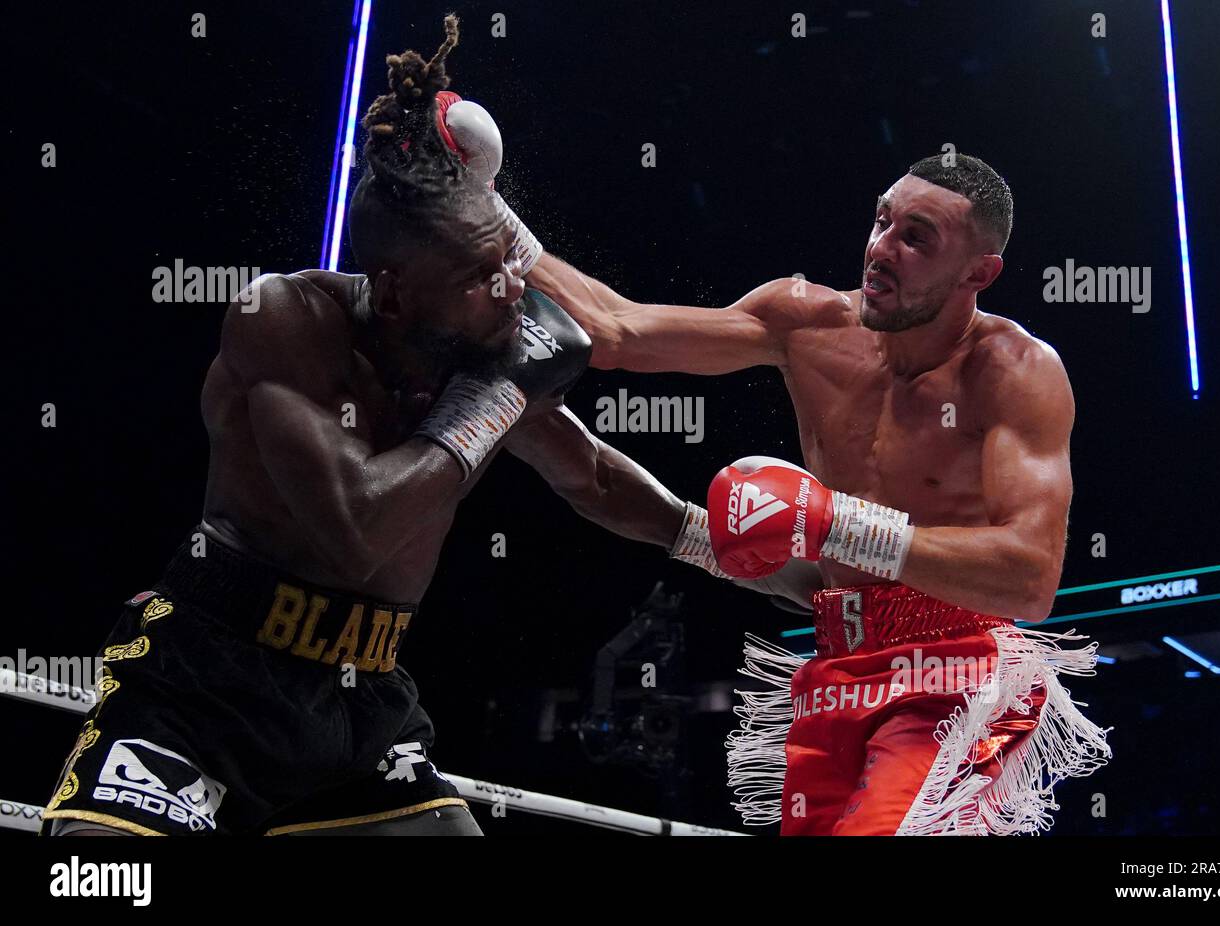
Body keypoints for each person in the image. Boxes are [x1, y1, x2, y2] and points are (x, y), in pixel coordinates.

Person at [40, 15, 729, 837]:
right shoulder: (285, 319)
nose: (514, 290)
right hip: (204, 691)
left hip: (360, 702)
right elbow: (355, 528)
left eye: (508, 262)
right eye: (482, 275)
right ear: (395, 291)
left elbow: (589, 475)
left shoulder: (477, 345)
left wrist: (725, 551)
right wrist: (496, 397)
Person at [526, 152, 1112, 834]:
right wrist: (489, 222)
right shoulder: (807, 322)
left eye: (916, 237)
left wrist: (837, 523)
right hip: (837, 663)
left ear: (978, 273)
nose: (881, 248)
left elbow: (1031, 579)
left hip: (960, 671)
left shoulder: (1013, 371)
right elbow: (617, 332)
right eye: (881, 221)